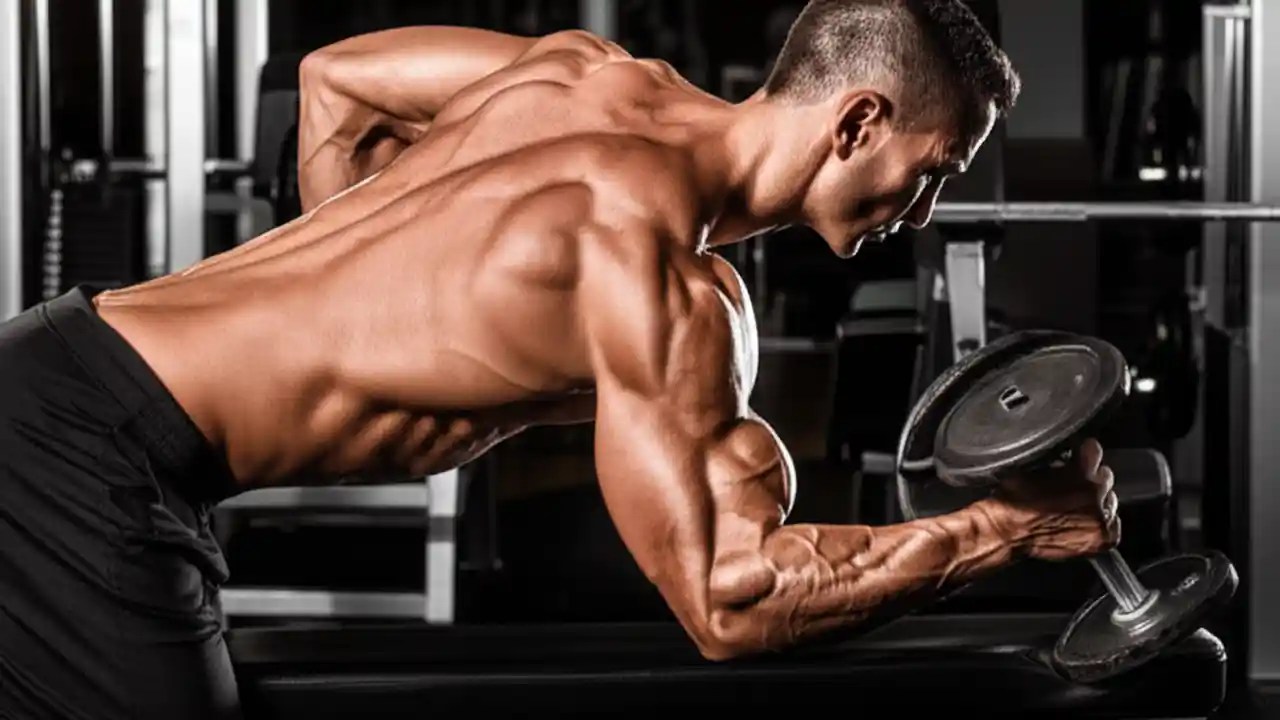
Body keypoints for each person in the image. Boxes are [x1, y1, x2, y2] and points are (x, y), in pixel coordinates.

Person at [0, 1, 1120, 718]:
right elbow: (730, 602)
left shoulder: (582, 76)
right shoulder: (660, 284)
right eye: (931, 170)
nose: (922, 213)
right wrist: (1006, 529)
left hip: (60, 355)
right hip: (90, 460)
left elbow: (337, 81)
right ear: (857, 118)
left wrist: (376, 300)